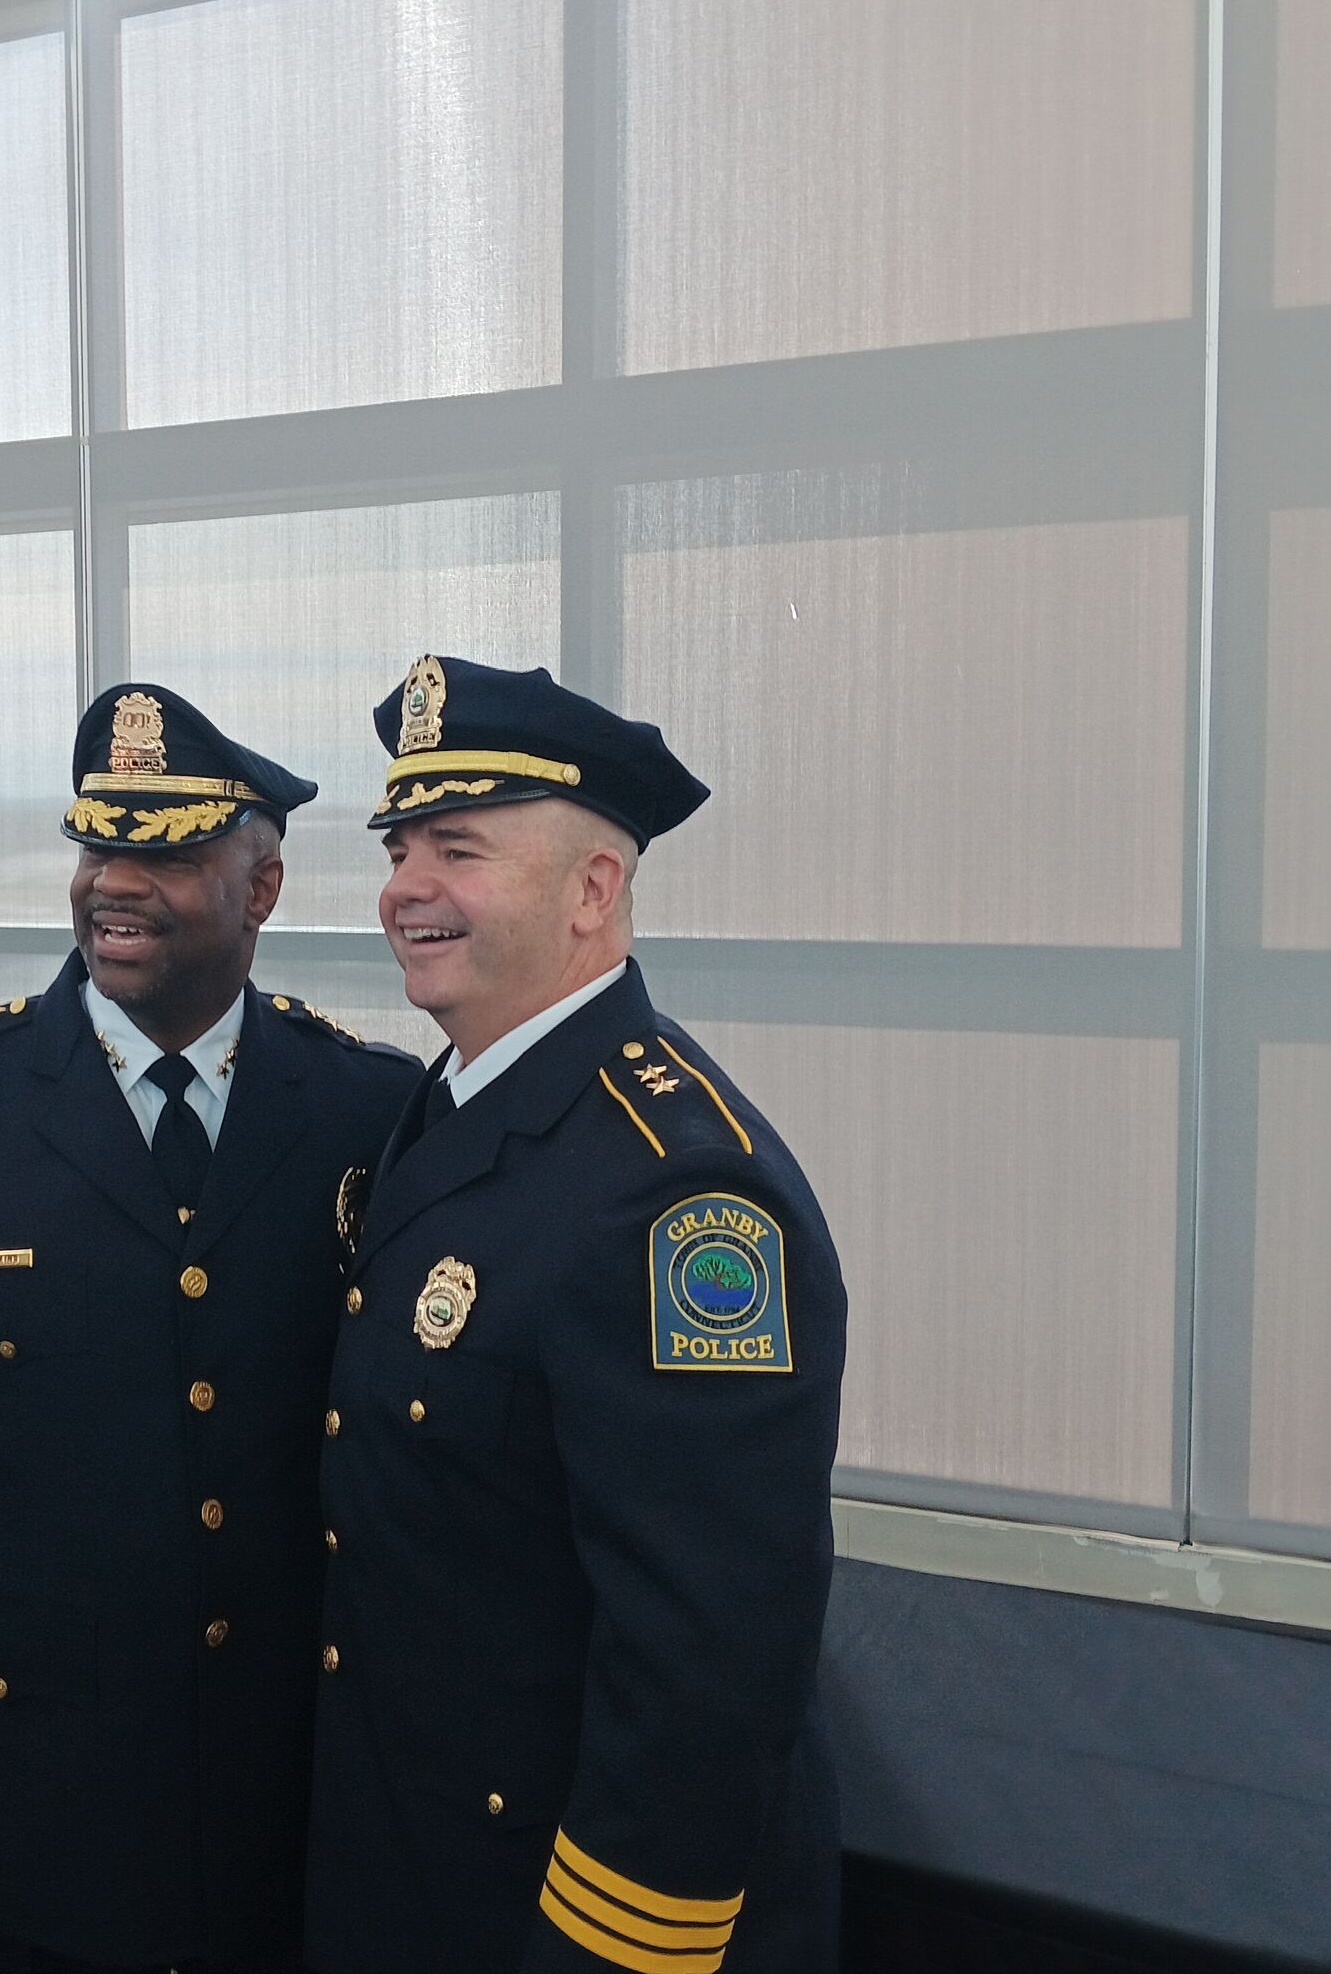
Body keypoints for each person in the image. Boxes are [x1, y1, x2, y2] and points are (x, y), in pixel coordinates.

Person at [0, 684, 421, 1973]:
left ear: (262, 887)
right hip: (17, 1810)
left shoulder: (368, 1113)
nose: (117, 883)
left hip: (282, 1810)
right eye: (99, 844)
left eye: (166, 852)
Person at [306, 657, 848, 1974]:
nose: (406, 888)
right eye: (399, 847)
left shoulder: (682, 1196)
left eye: (461, 847)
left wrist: (616, 1951)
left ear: (594, 892)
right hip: (402, 1867)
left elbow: (705, 1659)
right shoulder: (439, 1112)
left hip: (550, 1918)